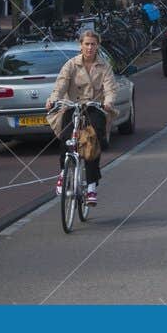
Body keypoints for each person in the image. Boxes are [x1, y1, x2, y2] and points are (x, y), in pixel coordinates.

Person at [49, 29, 118, 206]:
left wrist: (108, 102)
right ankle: (64, 173)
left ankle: (91, 186)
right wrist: (53, 99)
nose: (89, 47)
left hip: (94, 107)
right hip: (72, 106)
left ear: (97, 46)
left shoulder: (104, 66)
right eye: (86, 44)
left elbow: (110, 88)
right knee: (66, 136)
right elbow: (61, 84)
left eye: (92, 44)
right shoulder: (71, 65)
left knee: (93, 142)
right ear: (81, 45)